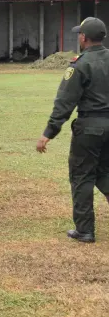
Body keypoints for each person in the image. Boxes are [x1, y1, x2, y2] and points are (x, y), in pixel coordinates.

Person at [37, 17, 109, 243]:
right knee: (105, 172)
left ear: (84, 37)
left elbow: (65, 102)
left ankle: (85, 230)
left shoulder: (80, 64)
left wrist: (49, 132)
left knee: (82, 176)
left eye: (80, 34)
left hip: (90, 128)